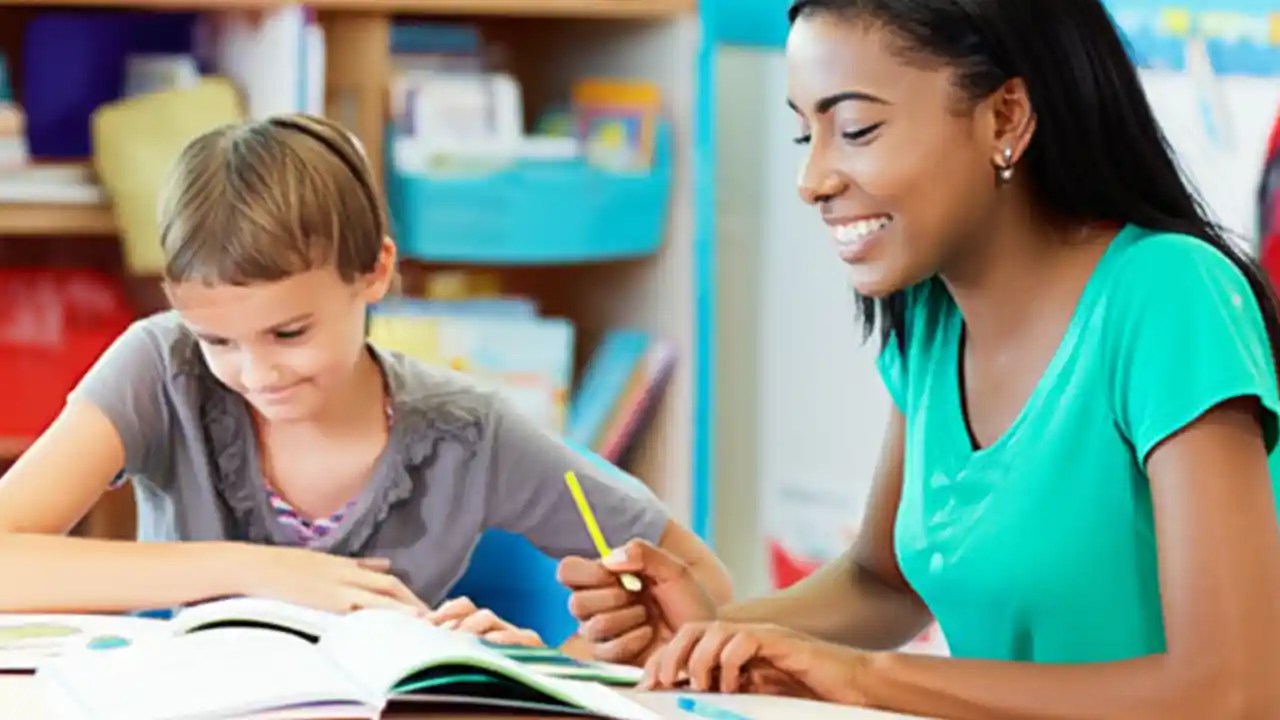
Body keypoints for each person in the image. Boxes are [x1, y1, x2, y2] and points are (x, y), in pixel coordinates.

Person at [558, 0, 1280, 715]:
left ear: (1006, 117)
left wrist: (862, 678)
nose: (812, 180)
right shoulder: (935, 316)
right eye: (805, 134)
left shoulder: (1168, 293)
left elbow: (1233, 694)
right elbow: (884, 584)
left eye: (855, 129)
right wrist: (709, 635)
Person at [0, 114, 731, 651]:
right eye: (218, 339)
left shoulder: (467, 433)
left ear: (375, 271)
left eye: (290, 333)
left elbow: (697, 581)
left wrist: (543, 673)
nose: (257, 374)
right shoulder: (161, 366)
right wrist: (257, 571)